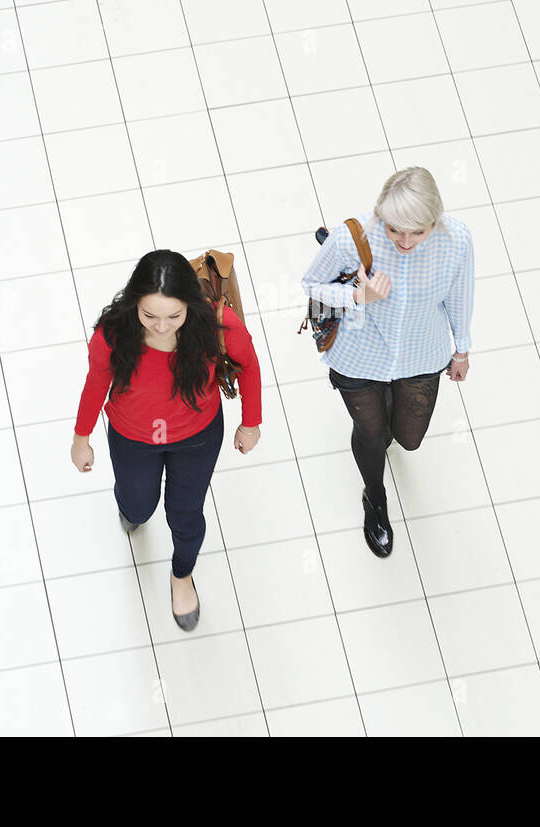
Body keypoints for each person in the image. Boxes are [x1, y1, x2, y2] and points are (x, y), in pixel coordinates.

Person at [70, 250, 262, 631]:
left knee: (185, 515)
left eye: (174, 316)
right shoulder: (113, 332)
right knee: (137, 506)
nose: (162, 327)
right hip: (132, 438)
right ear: (134, 303)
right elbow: (96, 382)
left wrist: (251, 423)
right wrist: (82, 436)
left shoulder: (218, 326)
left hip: (196, 437)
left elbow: (250, 365)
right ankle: (133, 510)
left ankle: (181, 575)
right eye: (150, 315)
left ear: (190, 306)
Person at [301, 166, 474, 558]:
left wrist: (461, 348)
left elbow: (459, 295)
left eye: (418, 231)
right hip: (360, 358)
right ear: (380, 214)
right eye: (395, 229)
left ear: (436, 220)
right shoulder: (354, 237)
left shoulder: (457, 240)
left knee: (408, 439)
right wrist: (358, 297)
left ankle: (388, 413)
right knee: (373, 435)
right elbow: (311, 288)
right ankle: (375, 499)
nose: (406, 241)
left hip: (420, 355)